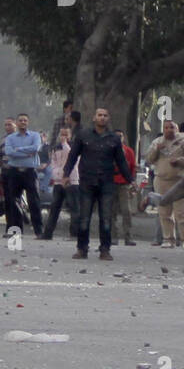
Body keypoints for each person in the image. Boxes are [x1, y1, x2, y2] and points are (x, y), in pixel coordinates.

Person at [63, 108, 133, 260]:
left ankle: (105, 249)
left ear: (108, 119)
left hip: (107, 183)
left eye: (105, 116)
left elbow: (121, 162)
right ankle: (82, 249)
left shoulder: (114, 138)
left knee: (106, 218)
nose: (102, 118)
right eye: (99, 115)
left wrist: (130, 180)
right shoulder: (83, 135)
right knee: (84, 218)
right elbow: (73, 156)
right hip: (87, 182)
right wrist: (66, 174)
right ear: (94, 118)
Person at [146, 119, 184, 249]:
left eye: (172, 127)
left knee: (181, 213)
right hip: (161, 180)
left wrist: (180, 161)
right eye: (166, 128)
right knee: (164, 212)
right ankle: (168, 239)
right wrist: (157, 150)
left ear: (177, 129)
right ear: (163, 130)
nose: (169, 130)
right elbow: (149, 159)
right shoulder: (157, 142)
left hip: (179, 181)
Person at [1, 113, 45, 238]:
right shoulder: (10, 138)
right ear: (17, 122)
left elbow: (36, 148)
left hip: (30, 171)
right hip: (14, 172)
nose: (23, 122)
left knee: (34, 201)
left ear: (28, 122)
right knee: (14, 202)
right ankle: (16, 231)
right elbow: (9, 152)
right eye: (20, 120)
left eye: (25, 120)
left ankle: (39, 231)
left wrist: (18, 150)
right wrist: (26, 152)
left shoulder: (35, 136)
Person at [41, 125, 80, 240]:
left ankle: (74, 234)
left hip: (71, 180)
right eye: (61, 134)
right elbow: (53, 162)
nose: (63, 137)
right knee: (54, 207)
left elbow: (72, 158)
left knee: (74, 208)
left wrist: (65, 144)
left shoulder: (74, 146)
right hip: (58, 181)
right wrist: (56, 172)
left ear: (70, 135)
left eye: (65, 134)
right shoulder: (55, 148)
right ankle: (48, 233)